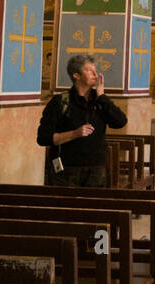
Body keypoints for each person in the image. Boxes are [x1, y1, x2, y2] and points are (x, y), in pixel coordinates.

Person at [36, 54, 128, 186]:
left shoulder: (100, 101)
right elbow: (43, 138)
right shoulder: (60, 102)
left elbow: (120, 122)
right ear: (76, 75)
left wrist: (102, 97)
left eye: (95, 70)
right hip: (66, 170)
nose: (95, 74)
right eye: (89, 70)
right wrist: (74, 134)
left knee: (93, 206)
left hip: (96, 169)